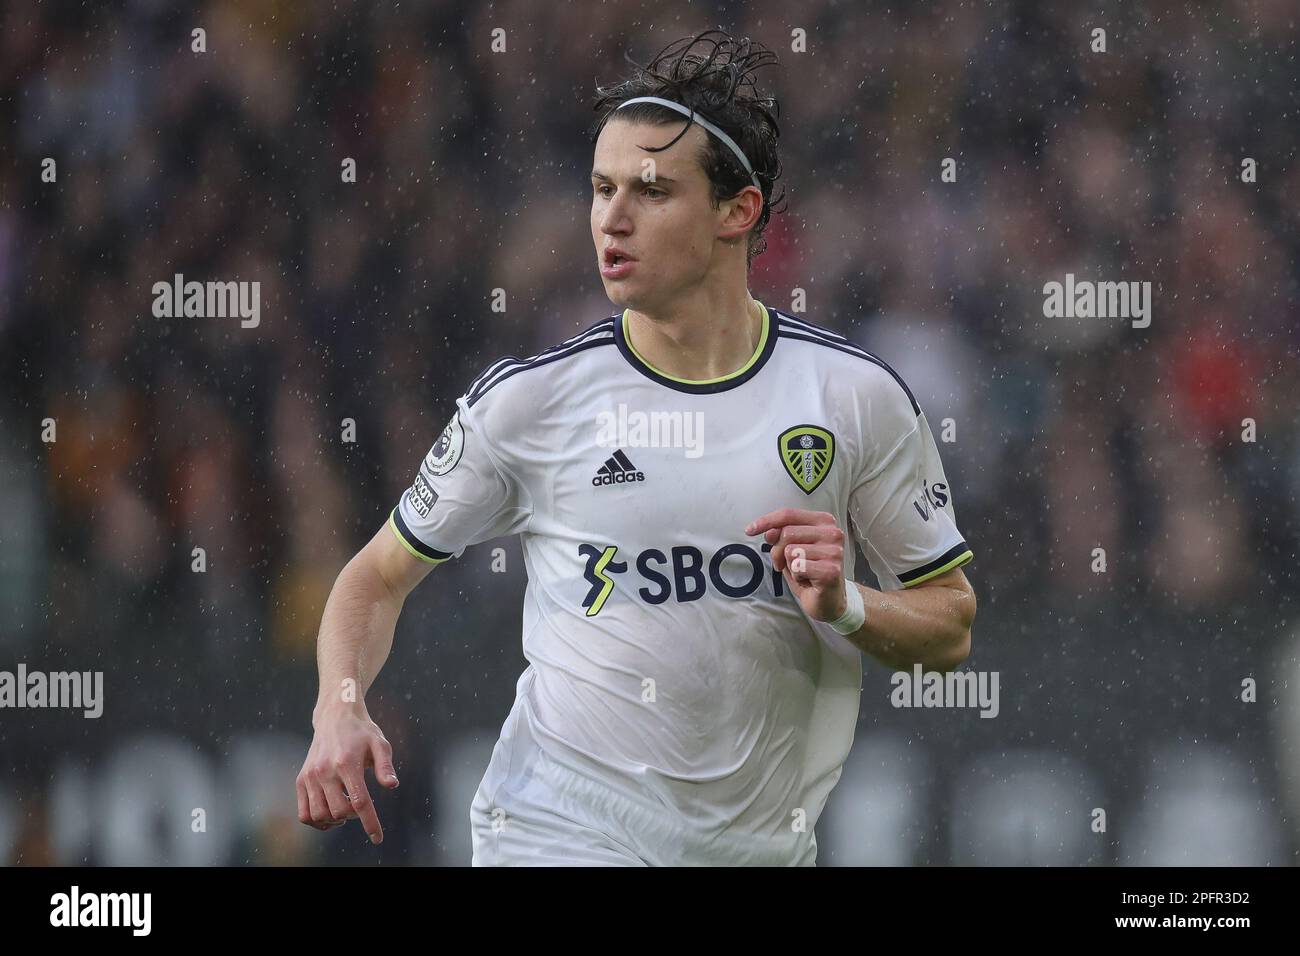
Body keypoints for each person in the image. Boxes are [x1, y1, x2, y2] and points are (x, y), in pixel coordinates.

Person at [296, 29, 976, 866]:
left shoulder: (852, 398)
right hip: (555, 836)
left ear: (738, 210)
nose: (611, 218)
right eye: (601, 187)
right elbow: (374, 577)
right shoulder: (531, 403)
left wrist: (850, 607)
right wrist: (340, 706)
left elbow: (950, 626)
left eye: (651, 190)